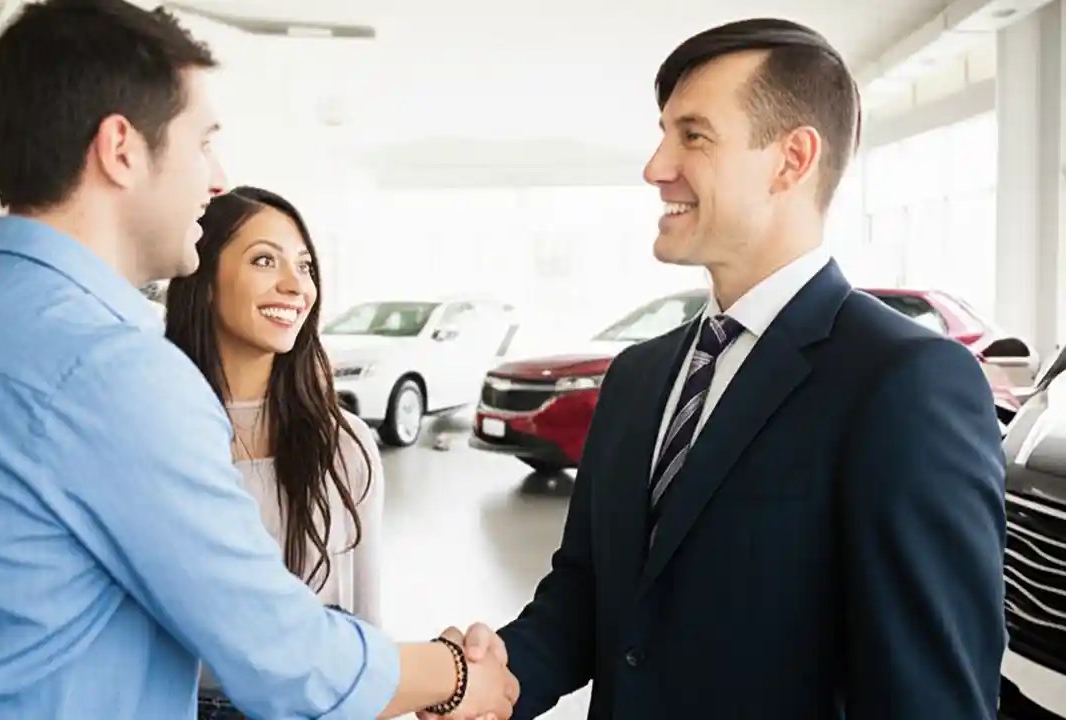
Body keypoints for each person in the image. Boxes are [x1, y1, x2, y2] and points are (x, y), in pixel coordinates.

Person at [0, 1, 517, 718]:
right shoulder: (111, 371)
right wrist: (454, 676)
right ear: (121, 149)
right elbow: (281, 654)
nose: (218, 177)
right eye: (203, 142)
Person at [431, 18, 1007, 720]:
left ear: (790, 160)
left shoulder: (905, 383)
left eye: (693, 135)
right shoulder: (638, 376)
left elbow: (930, 696)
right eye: (663, 133)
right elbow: (588, 597)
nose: (655, 166)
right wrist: (480, 681)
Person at [164, 186, 386, 719]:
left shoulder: (345, 442)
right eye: (265, 260)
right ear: (204, 280)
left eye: (305, 266)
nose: (295, 285)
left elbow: (366, 625)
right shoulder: (156, 435)